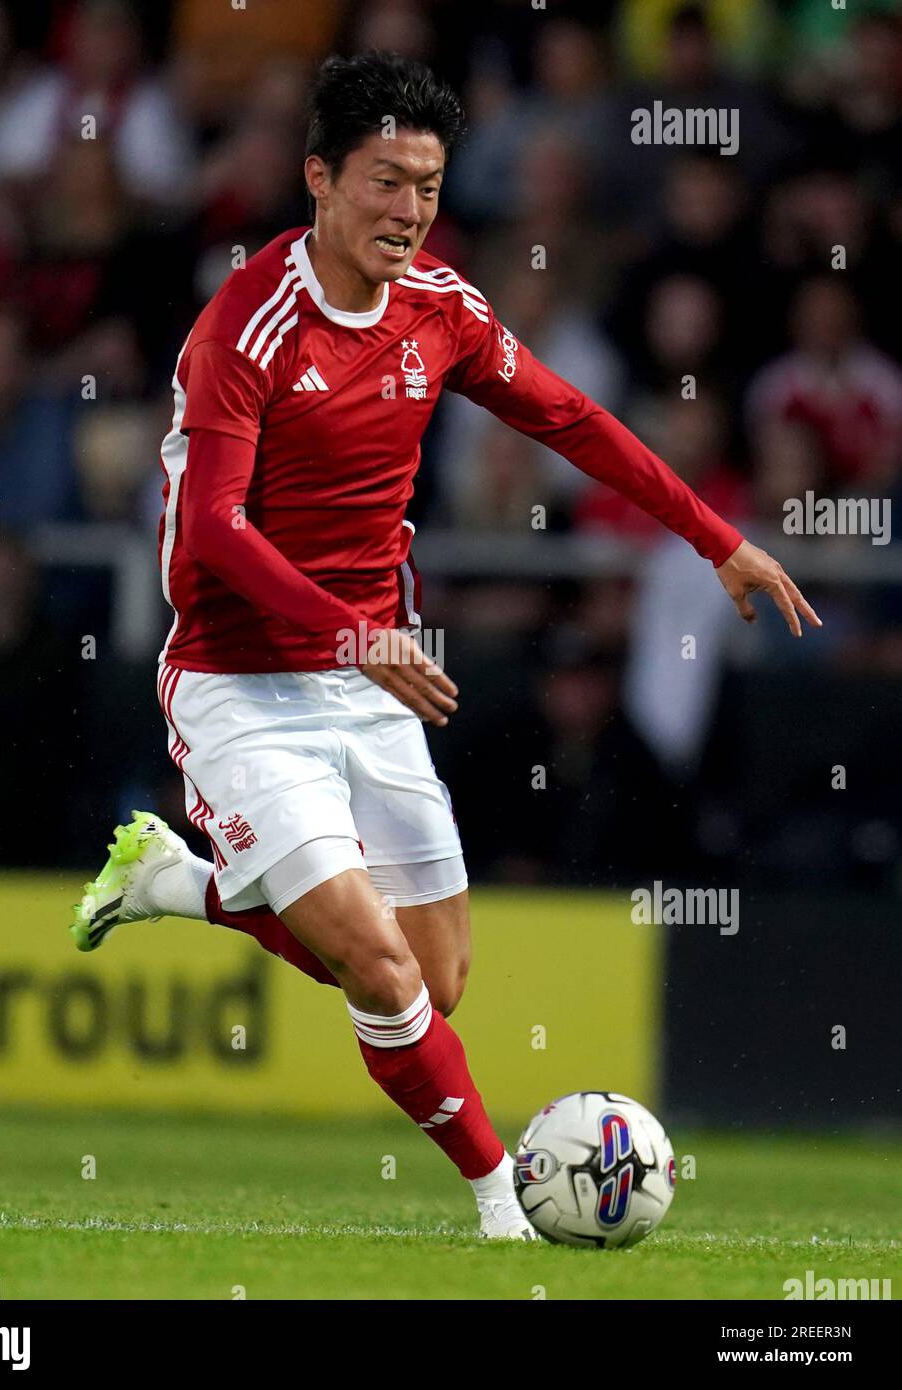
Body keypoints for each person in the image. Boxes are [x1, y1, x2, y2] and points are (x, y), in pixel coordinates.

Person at [70, 51, 819, 1239]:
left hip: (371, 677)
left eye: (426, 184)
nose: (409, 210)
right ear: (319, 178)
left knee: (438, 978)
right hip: (241, 682)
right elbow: (212, 531)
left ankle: (175, 881)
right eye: (384, 182)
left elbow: (568, 416)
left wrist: (714, 538)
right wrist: (353, 632)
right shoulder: (245, 330)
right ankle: (500, 1198)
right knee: (382, 973)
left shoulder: (444, 309)